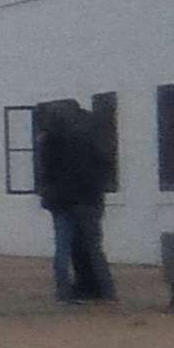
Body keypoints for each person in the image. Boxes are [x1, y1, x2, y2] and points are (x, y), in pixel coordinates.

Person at [34, 97, 115, 303]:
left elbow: (46, 169)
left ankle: (63, 294)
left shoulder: (50, 136)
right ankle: (107, 292)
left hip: (61, 199)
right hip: (90, 197)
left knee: (62, 248)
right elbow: (104, 163)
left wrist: (46, 192)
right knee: (94, 248)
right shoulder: (93, 134)